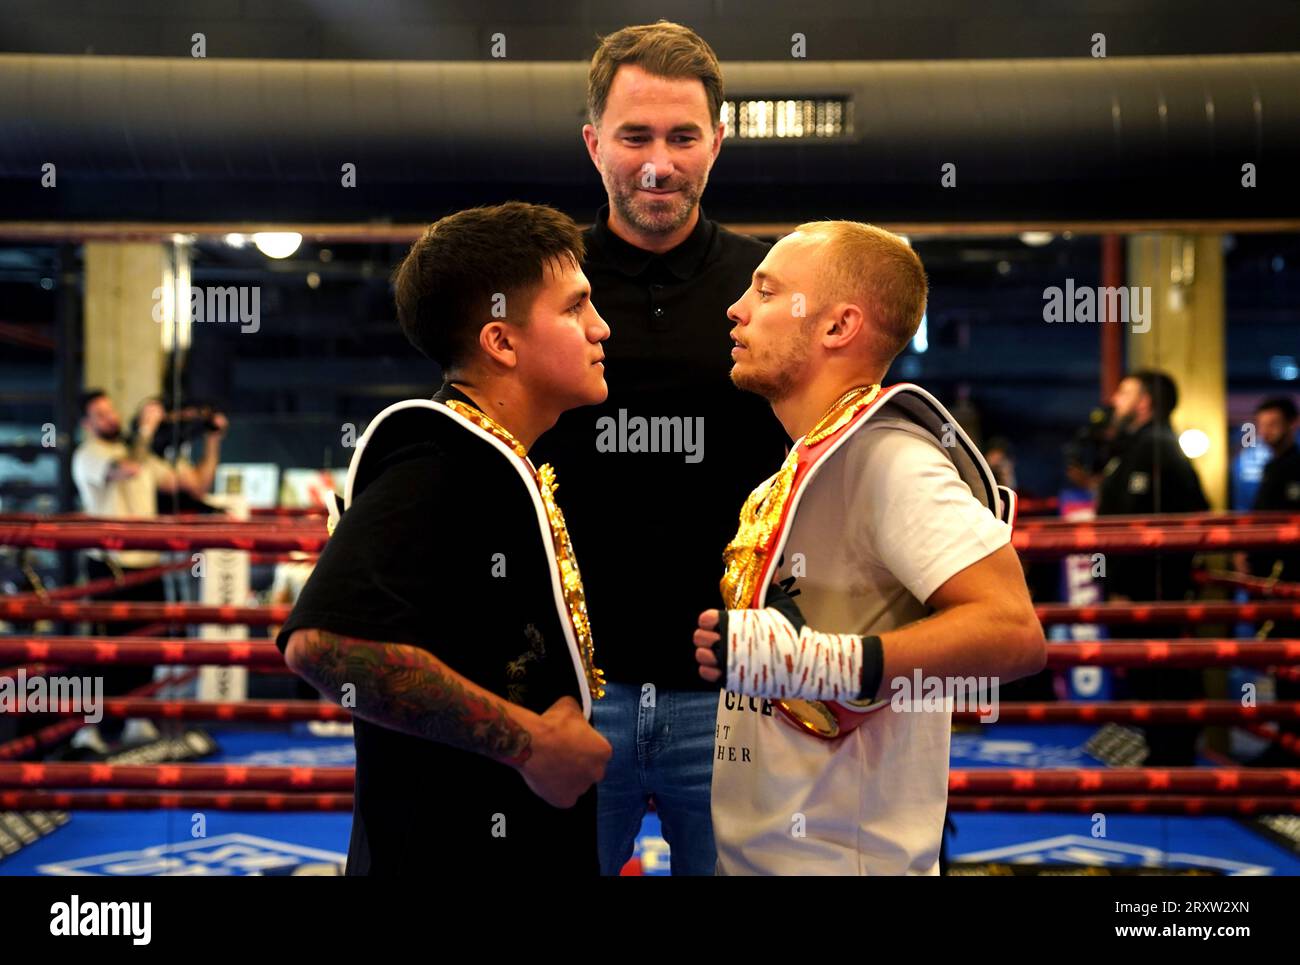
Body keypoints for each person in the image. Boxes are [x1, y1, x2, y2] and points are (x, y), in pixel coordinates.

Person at [691, 220, 1045, 875]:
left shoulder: (891, 461)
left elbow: (1014, 630)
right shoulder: (801, 469)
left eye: (766, 292)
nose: (737, 308)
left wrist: (824, 661)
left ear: (837, 326)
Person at [278, 202, 612, 875]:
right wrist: (530, 744)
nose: (601, 327)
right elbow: (323, 644)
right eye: (575, 307)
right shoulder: (437, 456)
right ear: (502, 342)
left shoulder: (487, 452)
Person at [529, 20, 786, 876]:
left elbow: (827, 479)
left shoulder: (775, 289)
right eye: (634, 135)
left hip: (739, 699)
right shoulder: (535, 285)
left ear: (719, 140)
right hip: (567, 695)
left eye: (683, 137)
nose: (658, 162)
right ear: (593, 141)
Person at [70, 391, 225, 752]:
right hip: (110, 568)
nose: (110, 418)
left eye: (111, 411)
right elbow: (129, 468)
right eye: (101, 414)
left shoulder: (138, 453)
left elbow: (195, 484)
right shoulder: (89, 455)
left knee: (147, 650)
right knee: (109, 656)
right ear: (87, 424)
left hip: (145, 566)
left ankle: (136, 721)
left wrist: (213, 441)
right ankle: (95, 730)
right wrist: (148, 430)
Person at [1096, 370, 1209, 766]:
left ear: (1145, 402)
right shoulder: (1140, 446)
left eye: (1125, 392)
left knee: (1164, 670)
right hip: (1145, 589)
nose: (1114, 400)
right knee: (1151, 672)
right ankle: (1165, 752)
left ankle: (1171, 757)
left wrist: (1124, 585)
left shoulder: (1157, 447)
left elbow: (1146, 526)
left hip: (1152, 593)